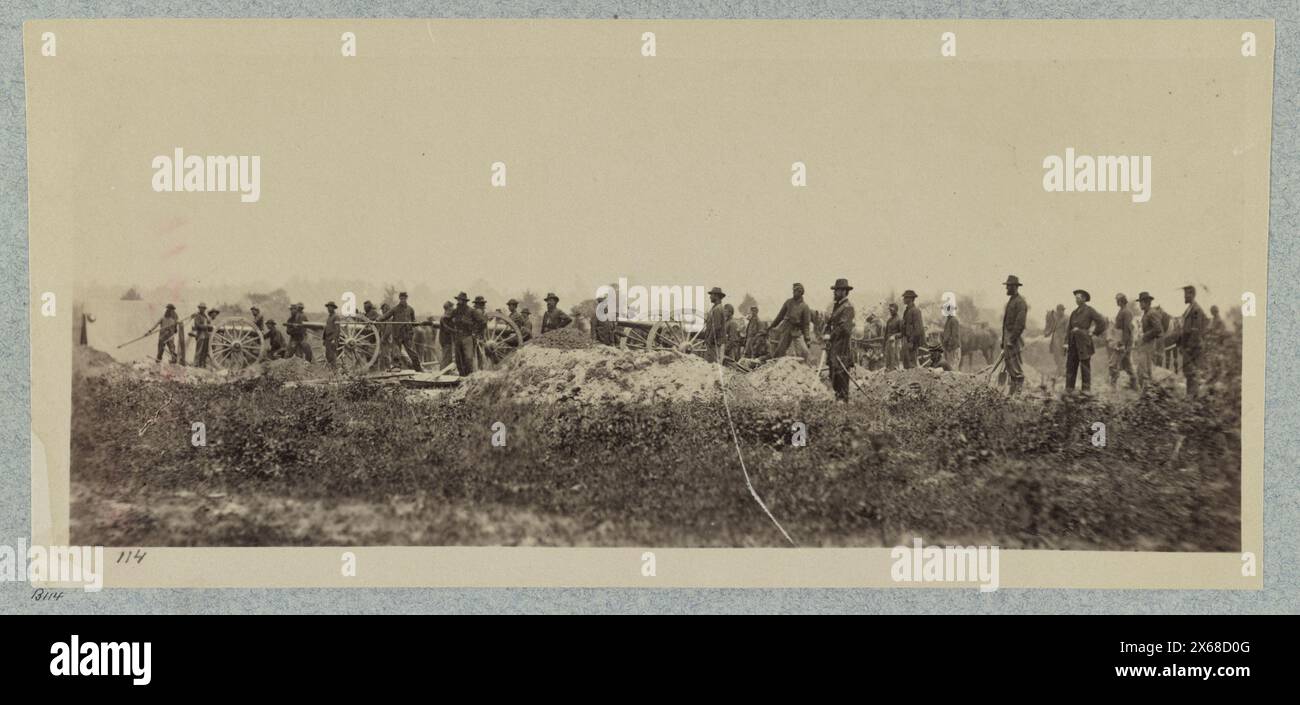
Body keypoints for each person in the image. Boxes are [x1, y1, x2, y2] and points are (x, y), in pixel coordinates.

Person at [1066, 289, 1108, 393]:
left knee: (1085, 367)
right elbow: (1069, 329)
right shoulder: (1074, 313)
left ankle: (1086, 392)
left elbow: (1102, 322)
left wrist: (1093, 332)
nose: (1077, 299)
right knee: (1071, 366)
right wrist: (1066, 342)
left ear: (1084, 299)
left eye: (1079, 297)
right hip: (1073, 343)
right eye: (1075, 297)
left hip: (1084, 343)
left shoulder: (1089, 310)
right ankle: (1069, 390)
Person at [825, 279, 856, 401]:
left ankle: (843, 400)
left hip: (842, 346)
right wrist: (826, 333)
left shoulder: (848, 307)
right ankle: (837, 398)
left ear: (844, 291)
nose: (834, 293)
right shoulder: (837, 306)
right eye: (835, 290)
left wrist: (830, 336)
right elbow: (830, 323)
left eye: (837, 290)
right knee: (833, 369)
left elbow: (842, 328)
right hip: (834, 344)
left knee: (841, 370)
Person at [378, 292, 421, 371]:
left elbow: (413, 321)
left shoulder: (410, 309)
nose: (402, 300)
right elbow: (385, 316)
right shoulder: (395, 309)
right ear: (399, 299)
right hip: (397, 334)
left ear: (406, 298)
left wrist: (415, 323)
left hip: (407, 334)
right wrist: (377, 320)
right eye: (401, 298)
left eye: (404, 298)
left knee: (411, 351)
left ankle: (418, 367)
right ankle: (397, 366)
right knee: (396, 350)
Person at [768, 283, 812, 360]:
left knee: (804, 352)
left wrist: (807, 339)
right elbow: (780, 316)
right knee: (780, 350)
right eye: (793, 291)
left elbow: (806, 325)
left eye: (796, 291)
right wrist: (772, 326)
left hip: (797, 330)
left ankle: (803, 367)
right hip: (786, 328)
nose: (793, 292)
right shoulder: (788, 302)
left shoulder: (805, 307)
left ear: (801, 292)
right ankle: (775, 363)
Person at [1000, 276, 1028, 395]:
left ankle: (1017, 394)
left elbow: (1020, 324)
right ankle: (1012, 392)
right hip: (1008, 337)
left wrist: (1011, 340)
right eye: (1007, 285)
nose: (1006, 287)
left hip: (1013, 339)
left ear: (1015, 287)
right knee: (1009, 365)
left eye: (1009, 285)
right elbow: (1005, 323)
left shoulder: (1020, 302)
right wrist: (1003, 340)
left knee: (1016, 366)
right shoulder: (1011, 301)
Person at [1178, 285, 1208, 397]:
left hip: (1193, 347)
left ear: (1192, 295)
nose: (1184, 297)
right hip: (1189, 346)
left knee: (1192, 372)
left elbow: (1195, 330)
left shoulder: (1196, 310)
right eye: (1184, 294)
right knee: (1189, 372)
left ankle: (1192, 398)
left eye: (1186, 294)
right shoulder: (1190, 309)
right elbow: (1185, 329)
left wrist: (1188, 347)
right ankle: (1190, 396)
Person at [1109, 293, 1138, 390]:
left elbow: (1127, 329)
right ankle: (1134, 385)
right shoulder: (1122, 311)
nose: (1116, 302)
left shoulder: (1126, 312)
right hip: (1122, 340)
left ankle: (1113, 387)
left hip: (1123, 341)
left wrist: (1123, 343)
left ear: (1121, 301)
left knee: (1114, 364)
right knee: (1127, 364)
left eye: (1117, 300)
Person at [1135, 292, 1163, 390]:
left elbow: (1158, 329)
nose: (1140, 304)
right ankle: (1148, 393)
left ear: (1147, 302)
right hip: (1145, 344)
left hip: (1149, 344)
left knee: (1144, 370)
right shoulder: (1146, 313)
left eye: (1141, 302)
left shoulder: (1152, 313)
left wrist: (1144, 336)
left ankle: (1148, 393)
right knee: (1143, 370)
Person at [447, 292, 478, 376]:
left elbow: (481, 322)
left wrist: (473, 329)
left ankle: (470, 376)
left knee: (468, 358)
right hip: (458, 337)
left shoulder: (471, 311)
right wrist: (453, 329)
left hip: (467, 336)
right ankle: (462, 376)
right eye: (458, 300)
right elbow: (448, 320)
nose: (459, 302)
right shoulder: (456, 311)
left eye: (460, 300)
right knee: (458, 359)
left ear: (465, 301)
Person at [702, 287, 727, 363]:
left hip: (715, 343)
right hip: (713, 342)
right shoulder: (715, 308)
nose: (710, 297)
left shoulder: (717, 309)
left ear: (716, 296)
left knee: (713, 365)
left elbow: (716, 327)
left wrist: (709, 340)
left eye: (711, 295)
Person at [900, 290, 924, 369]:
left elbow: (918, 329)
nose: (903, 299)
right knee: (906, 364)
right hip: (906, 340)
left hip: (912, 342)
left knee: (912, 364)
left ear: (910, 299)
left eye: (905, 297)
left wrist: (912, 342)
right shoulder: (907, 311)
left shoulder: (916, 311)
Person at [190, 303, 213, 368]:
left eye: (203, 308)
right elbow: (197, 325)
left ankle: (202, 364)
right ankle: (195, 364)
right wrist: (206, 326)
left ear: (205, 309)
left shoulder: (205, 316)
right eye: (201, 308)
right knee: (199, 350)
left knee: (204, 351)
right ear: (199, 308)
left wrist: (209, 325)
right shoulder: (197, 316)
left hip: (206, 335)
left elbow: (209, 323)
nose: (202, 309)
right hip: (200, 335)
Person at [941, 304, 961, 372]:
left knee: (953, 367)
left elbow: (954, 335)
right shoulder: (949, 321)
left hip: (953, 348)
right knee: (950, 367)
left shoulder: (953, 321)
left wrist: (949, 346)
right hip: (949, 348)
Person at [883, 303, 901, 371]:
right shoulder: (889, 321)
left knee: (895, 359)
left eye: (892, 310)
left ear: (896, 310)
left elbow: (902, 333)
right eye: (890, 310)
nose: (890, 311)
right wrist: (884, 345)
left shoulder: (899, 320)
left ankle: (895, 373)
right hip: (888, 342)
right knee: (888, 360)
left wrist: (894, 336)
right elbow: (886, 334)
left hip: (895, 342)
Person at [322, 301, 340, 367]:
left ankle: (334, 371)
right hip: (327, 339)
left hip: (332, 339)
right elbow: (326, 328)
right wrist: (324, 339)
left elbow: (337, 329)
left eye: (330, 307)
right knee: (328, 355)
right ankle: (331, 371)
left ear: (333, 308)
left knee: (332, 356)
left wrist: (334, 339)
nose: (328, 309)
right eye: (328, 307)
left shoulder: (336, 317)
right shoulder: (329, 317)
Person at [438, 301, 455, 365]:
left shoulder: (448, 317)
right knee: (446, 356)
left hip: (447, 340)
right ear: (447, 309)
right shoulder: (444, 318)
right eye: (451, 309)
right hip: (445, 340)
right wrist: (455, 331)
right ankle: (443, 371)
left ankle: (448, 371)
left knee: (449, 356)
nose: (452, 310)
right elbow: (447, 329)